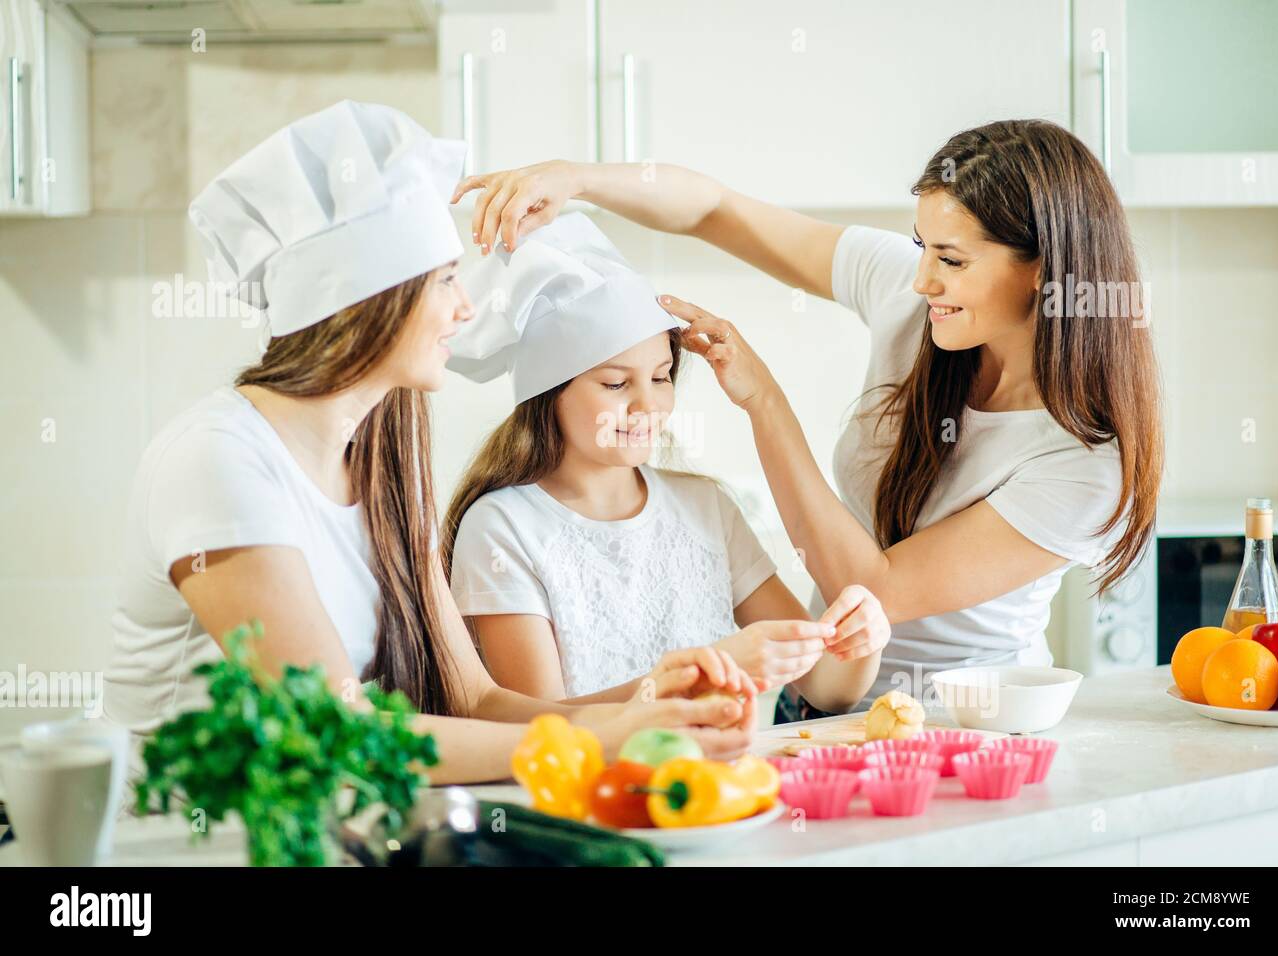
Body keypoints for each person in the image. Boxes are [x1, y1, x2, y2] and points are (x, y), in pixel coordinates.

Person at [105, 100, 793, 786]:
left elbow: (478, 701)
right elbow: (335, 734)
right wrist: (607, 743)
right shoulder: (222, 462)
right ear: (365, 301)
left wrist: (650, 703)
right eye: (444, 280)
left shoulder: (383, 468)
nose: (466, 308)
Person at [454, 119, 1163, 720]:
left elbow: (876, 589)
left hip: (963, 718)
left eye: (950, 259)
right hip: (822, 709)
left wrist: (763, 401)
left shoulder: (1084, 461)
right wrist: (579, 179)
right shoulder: (918, 299)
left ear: (1046, 268)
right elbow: (715, 211)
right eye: (921, 248)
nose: (921, 281)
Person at [441, 213, 886, 712]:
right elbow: (538, 726)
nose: (648, 406)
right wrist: (701, 674)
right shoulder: (502, 528)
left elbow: (827, 687)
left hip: (727, 785)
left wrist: (863, 636)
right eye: (616, 384)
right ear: (549, 392)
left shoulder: (706, 507)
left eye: (661, 377)